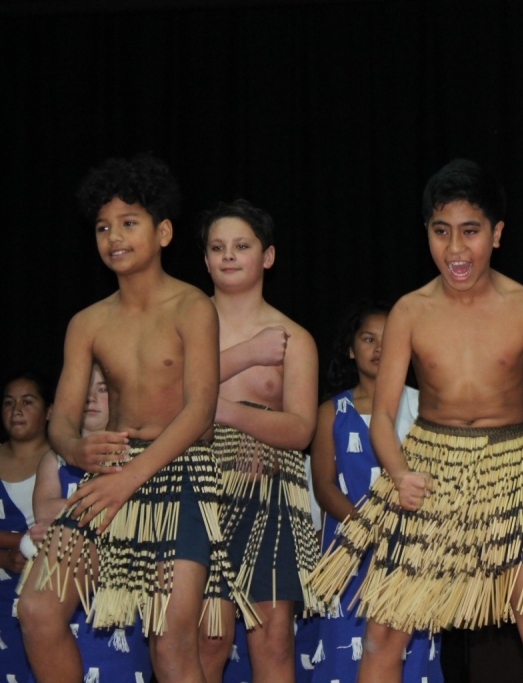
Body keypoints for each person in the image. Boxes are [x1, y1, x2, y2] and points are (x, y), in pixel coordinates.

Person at [307, 158, 523, 683]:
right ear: (428, 236)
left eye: (470, 232)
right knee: (385, 630)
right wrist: (398, 472)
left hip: (510, 467)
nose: (455, 250)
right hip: (429, 468)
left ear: (497, 234)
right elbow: (383, 415)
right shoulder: (411, 311)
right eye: (441, 233)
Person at [17, 153, 233, 683]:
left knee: (171, 643)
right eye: (103, 227)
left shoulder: (192, 307)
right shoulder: (87, 322)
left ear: (162, 232)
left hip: (180, 472)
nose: (114, 236)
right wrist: (74, 449)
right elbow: (62, 419)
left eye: (128, 223)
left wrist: (133, 478)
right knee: (38, 611)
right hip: (109, 477)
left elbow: (201, 411)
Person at [197, 199, 323, 683]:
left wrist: (219, 410)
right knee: (207, 638)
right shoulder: (185, 323)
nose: (229, 256)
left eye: (242, 246)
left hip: (271, 494)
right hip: (199, 492)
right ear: (205, 259)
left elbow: (299, 429)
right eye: (217, 247)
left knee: (272, 639)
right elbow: (165, 403)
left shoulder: (294, 337)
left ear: (267, 256)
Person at [308, 302, 441, 683]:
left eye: (390, 340)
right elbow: (324, 485)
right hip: (349, 547)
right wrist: (365, 526)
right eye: (369, 339)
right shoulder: (332, 411)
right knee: (346, 647)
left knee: (410, 652)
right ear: (352, 349)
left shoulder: (423, 407)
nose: (379, 348)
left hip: (411, 548)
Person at [31, 364, 152, 682]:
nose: (90, 398)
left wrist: (70, 514)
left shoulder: (135, 458)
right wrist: (109, 505)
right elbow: (44, 510)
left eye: (101, 389)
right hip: (64, 582)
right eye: (82, 389)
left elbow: (143, 513)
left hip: (118, 587)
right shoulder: (53, 459)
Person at [1, 372, 55, 683]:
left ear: (49, 411)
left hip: (51, 589)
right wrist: (7, 555)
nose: (16, 409)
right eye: (9, 402)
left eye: (27, 401)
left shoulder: (65, 462)